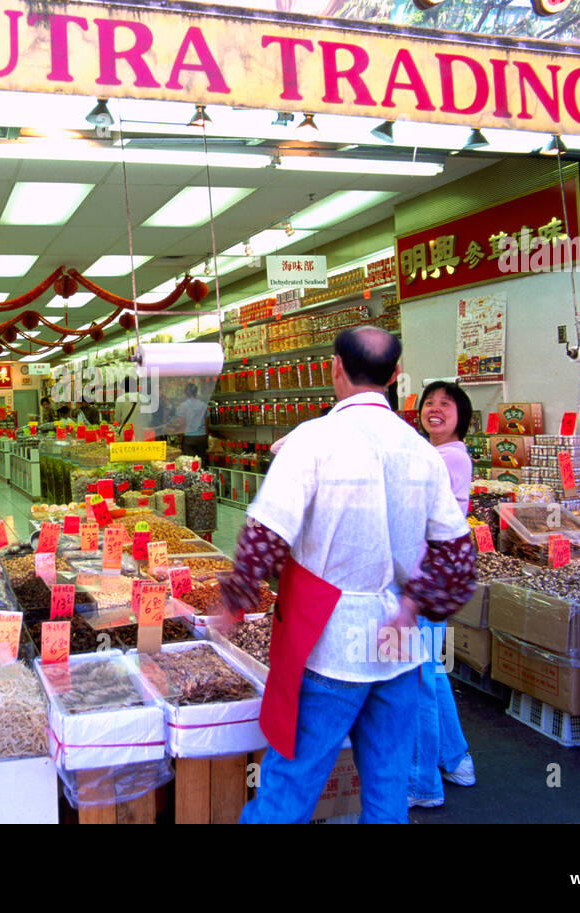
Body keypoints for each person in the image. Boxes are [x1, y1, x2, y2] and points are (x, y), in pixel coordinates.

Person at [221, 326, 475, 824]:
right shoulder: (421, 450)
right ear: (396, 376)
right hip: (398, 641)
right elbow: (458, 557)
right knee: (386, 790)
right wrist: (411, 604)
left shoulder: (313, 440)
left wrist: (233, 602)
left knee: (289, 787)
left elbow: (265, 537)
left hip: (331, 639)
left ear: (334, 366)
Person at [409, 381, 478, 809]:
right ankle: (456, 759)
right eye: (429, 403)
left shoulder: (445, 458)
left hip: (422, 579)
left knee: (418, 678)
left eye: (445, 405)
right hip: (435, 578)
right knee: (432, 671)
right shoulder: (439, 454)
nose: (435, 409)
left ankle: (422, 784)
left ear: (461, 416)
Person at [174, 381, 209, 465]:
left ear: (186, 393)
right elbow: (207, 424)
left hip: (189, 438)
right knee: (202, 462)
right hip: (202, 437)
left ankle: (194, 477)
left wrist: (180, 440)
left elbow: (182, 424)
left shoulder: (183, 406)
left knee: (190, 463)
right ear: (196, 392)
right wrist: (206, 438)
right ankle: (203, 477)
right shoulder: (203, 405)